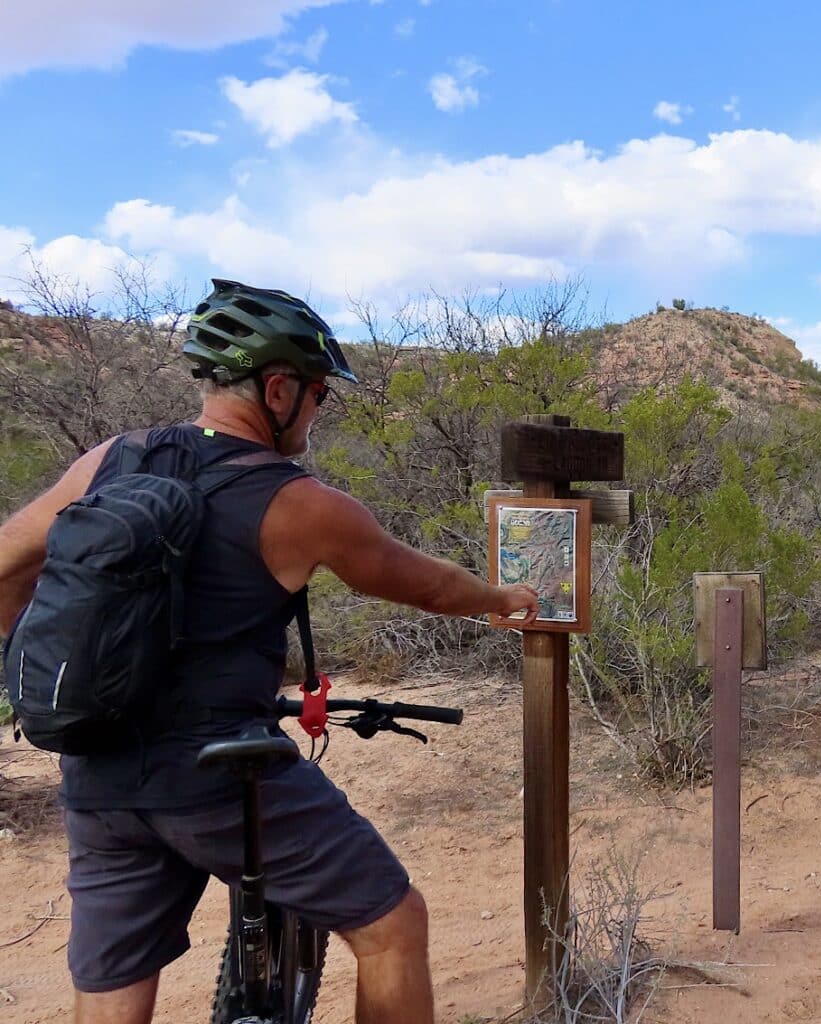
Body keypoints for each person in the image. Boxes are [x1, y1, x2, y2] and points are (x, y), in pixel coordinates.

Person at [0, 279, 537, 1024]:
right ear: (279, 387)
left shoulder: (109, 460)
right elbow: (430, 589)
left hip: (98, 773)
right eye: (320, 393)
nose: (319, 409)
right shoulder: (299, 502)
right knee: (393, 926)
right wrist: (503, 599)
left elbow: (6, 565)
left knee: (112, 986)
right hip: (220, 777)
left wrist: (38, 663)